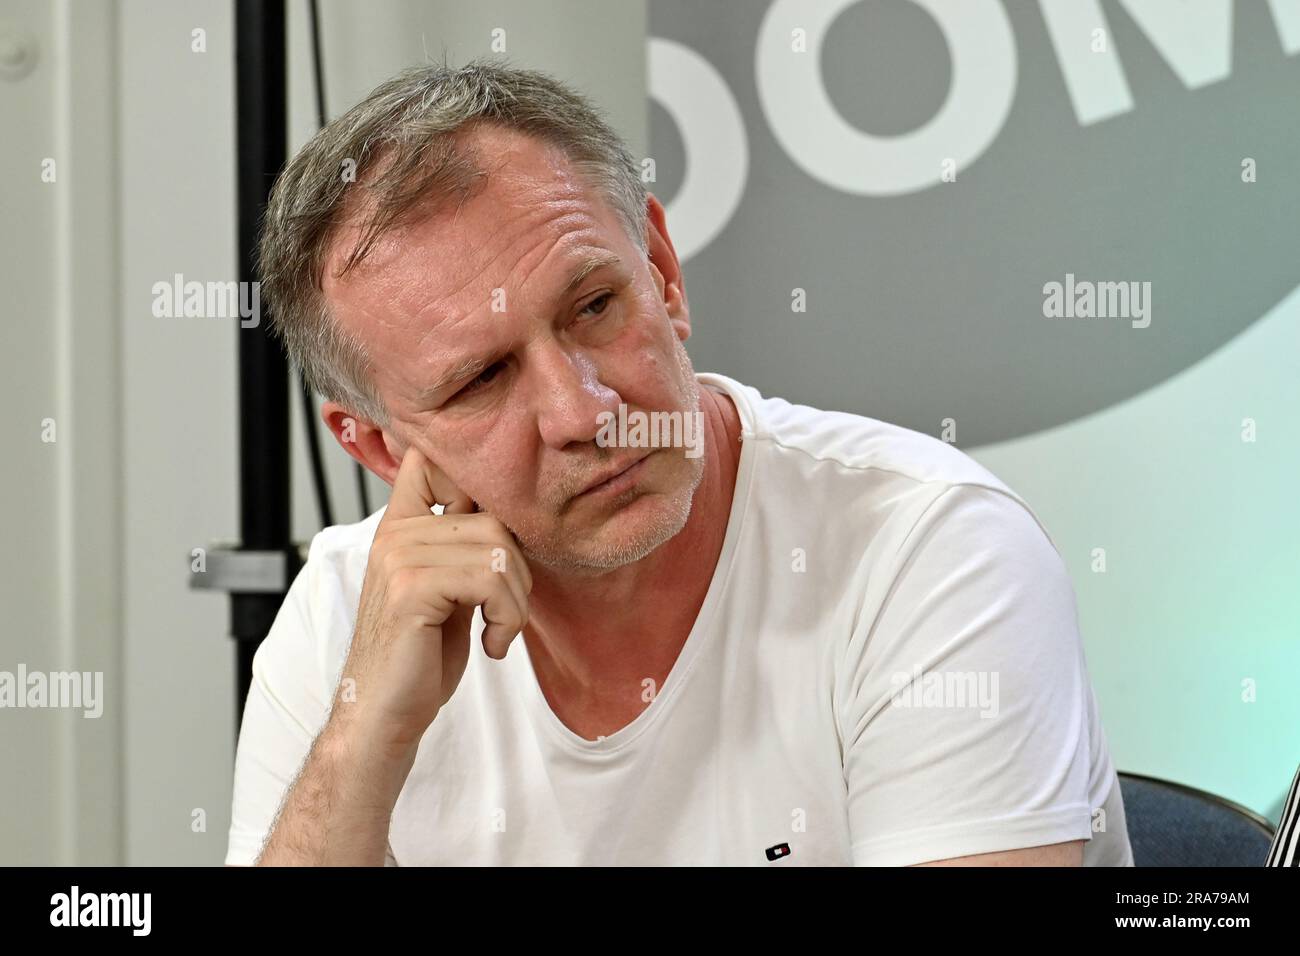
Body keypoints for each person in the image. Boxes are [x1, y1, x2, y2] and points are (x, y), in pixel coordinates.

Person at [225, 60, 1133, 867]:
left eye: (592, 307)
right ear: (383, 446)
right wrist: (361, 744)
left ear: (661, 269)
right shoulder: (343, 618)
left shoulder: (929, 548)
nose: (587, 413)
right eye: (484, 379)